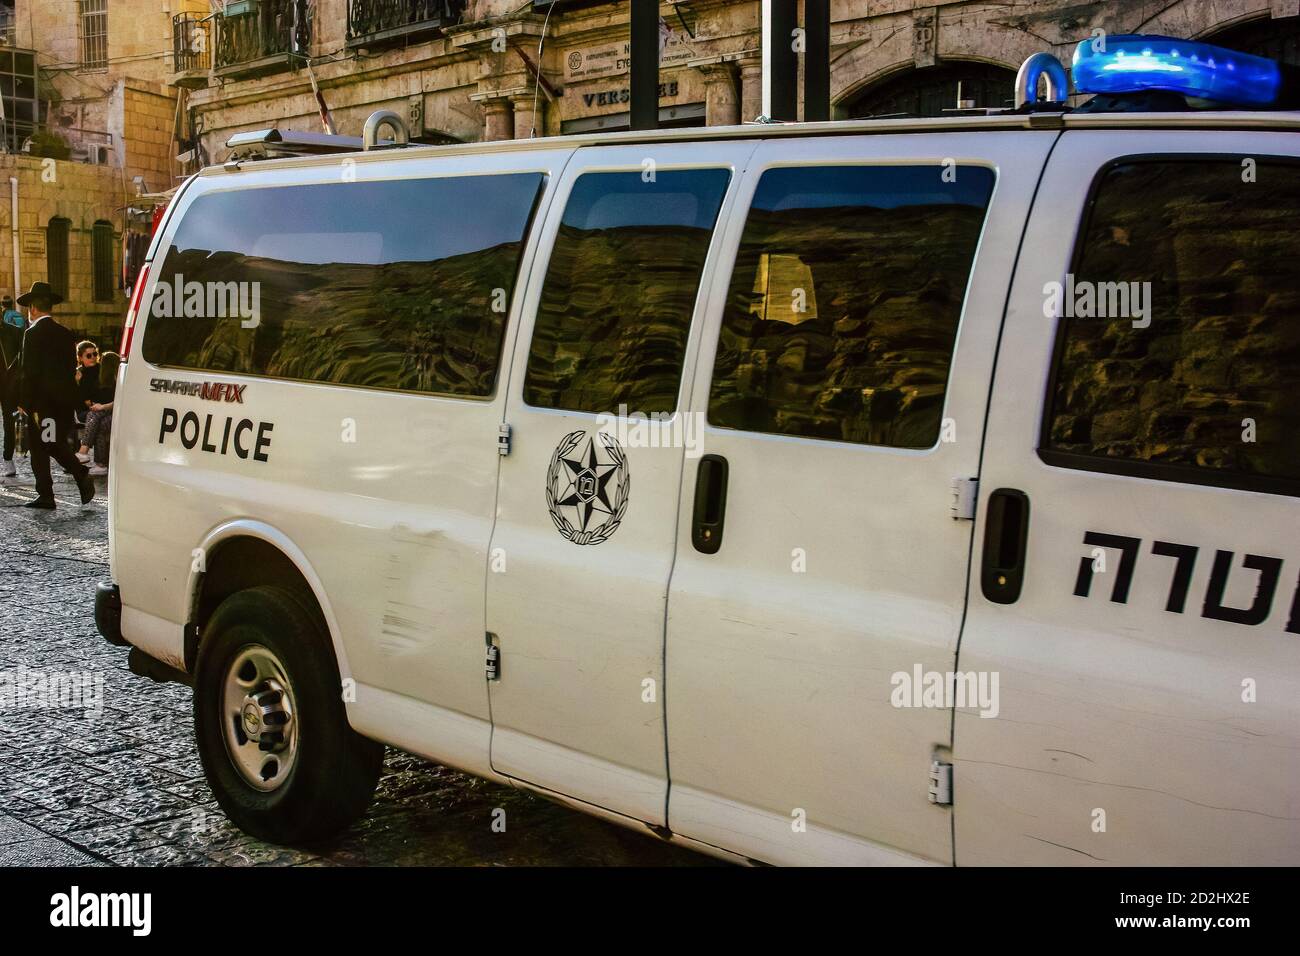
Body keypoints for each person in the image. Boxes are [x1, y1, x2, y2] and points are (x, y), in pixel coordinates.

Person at [15, 282, 94, 509]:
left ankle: (80, 473)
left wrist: (23, 401)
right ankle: (46, 495)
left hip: (43, 404)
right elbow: (70, 367)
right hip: (62, 402)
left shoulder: (32, 334)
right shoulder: (65, 333)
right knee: (40, 446)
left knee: (49, 443)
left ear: (32, 308)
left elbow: (28, 372)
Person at [77, 350, 118, 476]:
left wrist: (102, 406)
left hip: (121, 413)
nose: (95, 358)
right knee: (99, 420)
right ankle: (100, 464)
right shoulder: (105, 379)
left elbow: (120, 401)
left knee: (94, 415)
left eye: (95, 355)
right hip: (109, 413)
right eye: (89, 355)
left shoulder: (121, 379)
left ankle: (84, 451)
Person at [0, 294, 23, 478]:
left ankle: (8, 458)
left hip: (8, 383)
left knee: (9, 422)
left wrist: (17, 380)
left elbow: (22, 358)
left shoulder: (14, 332)